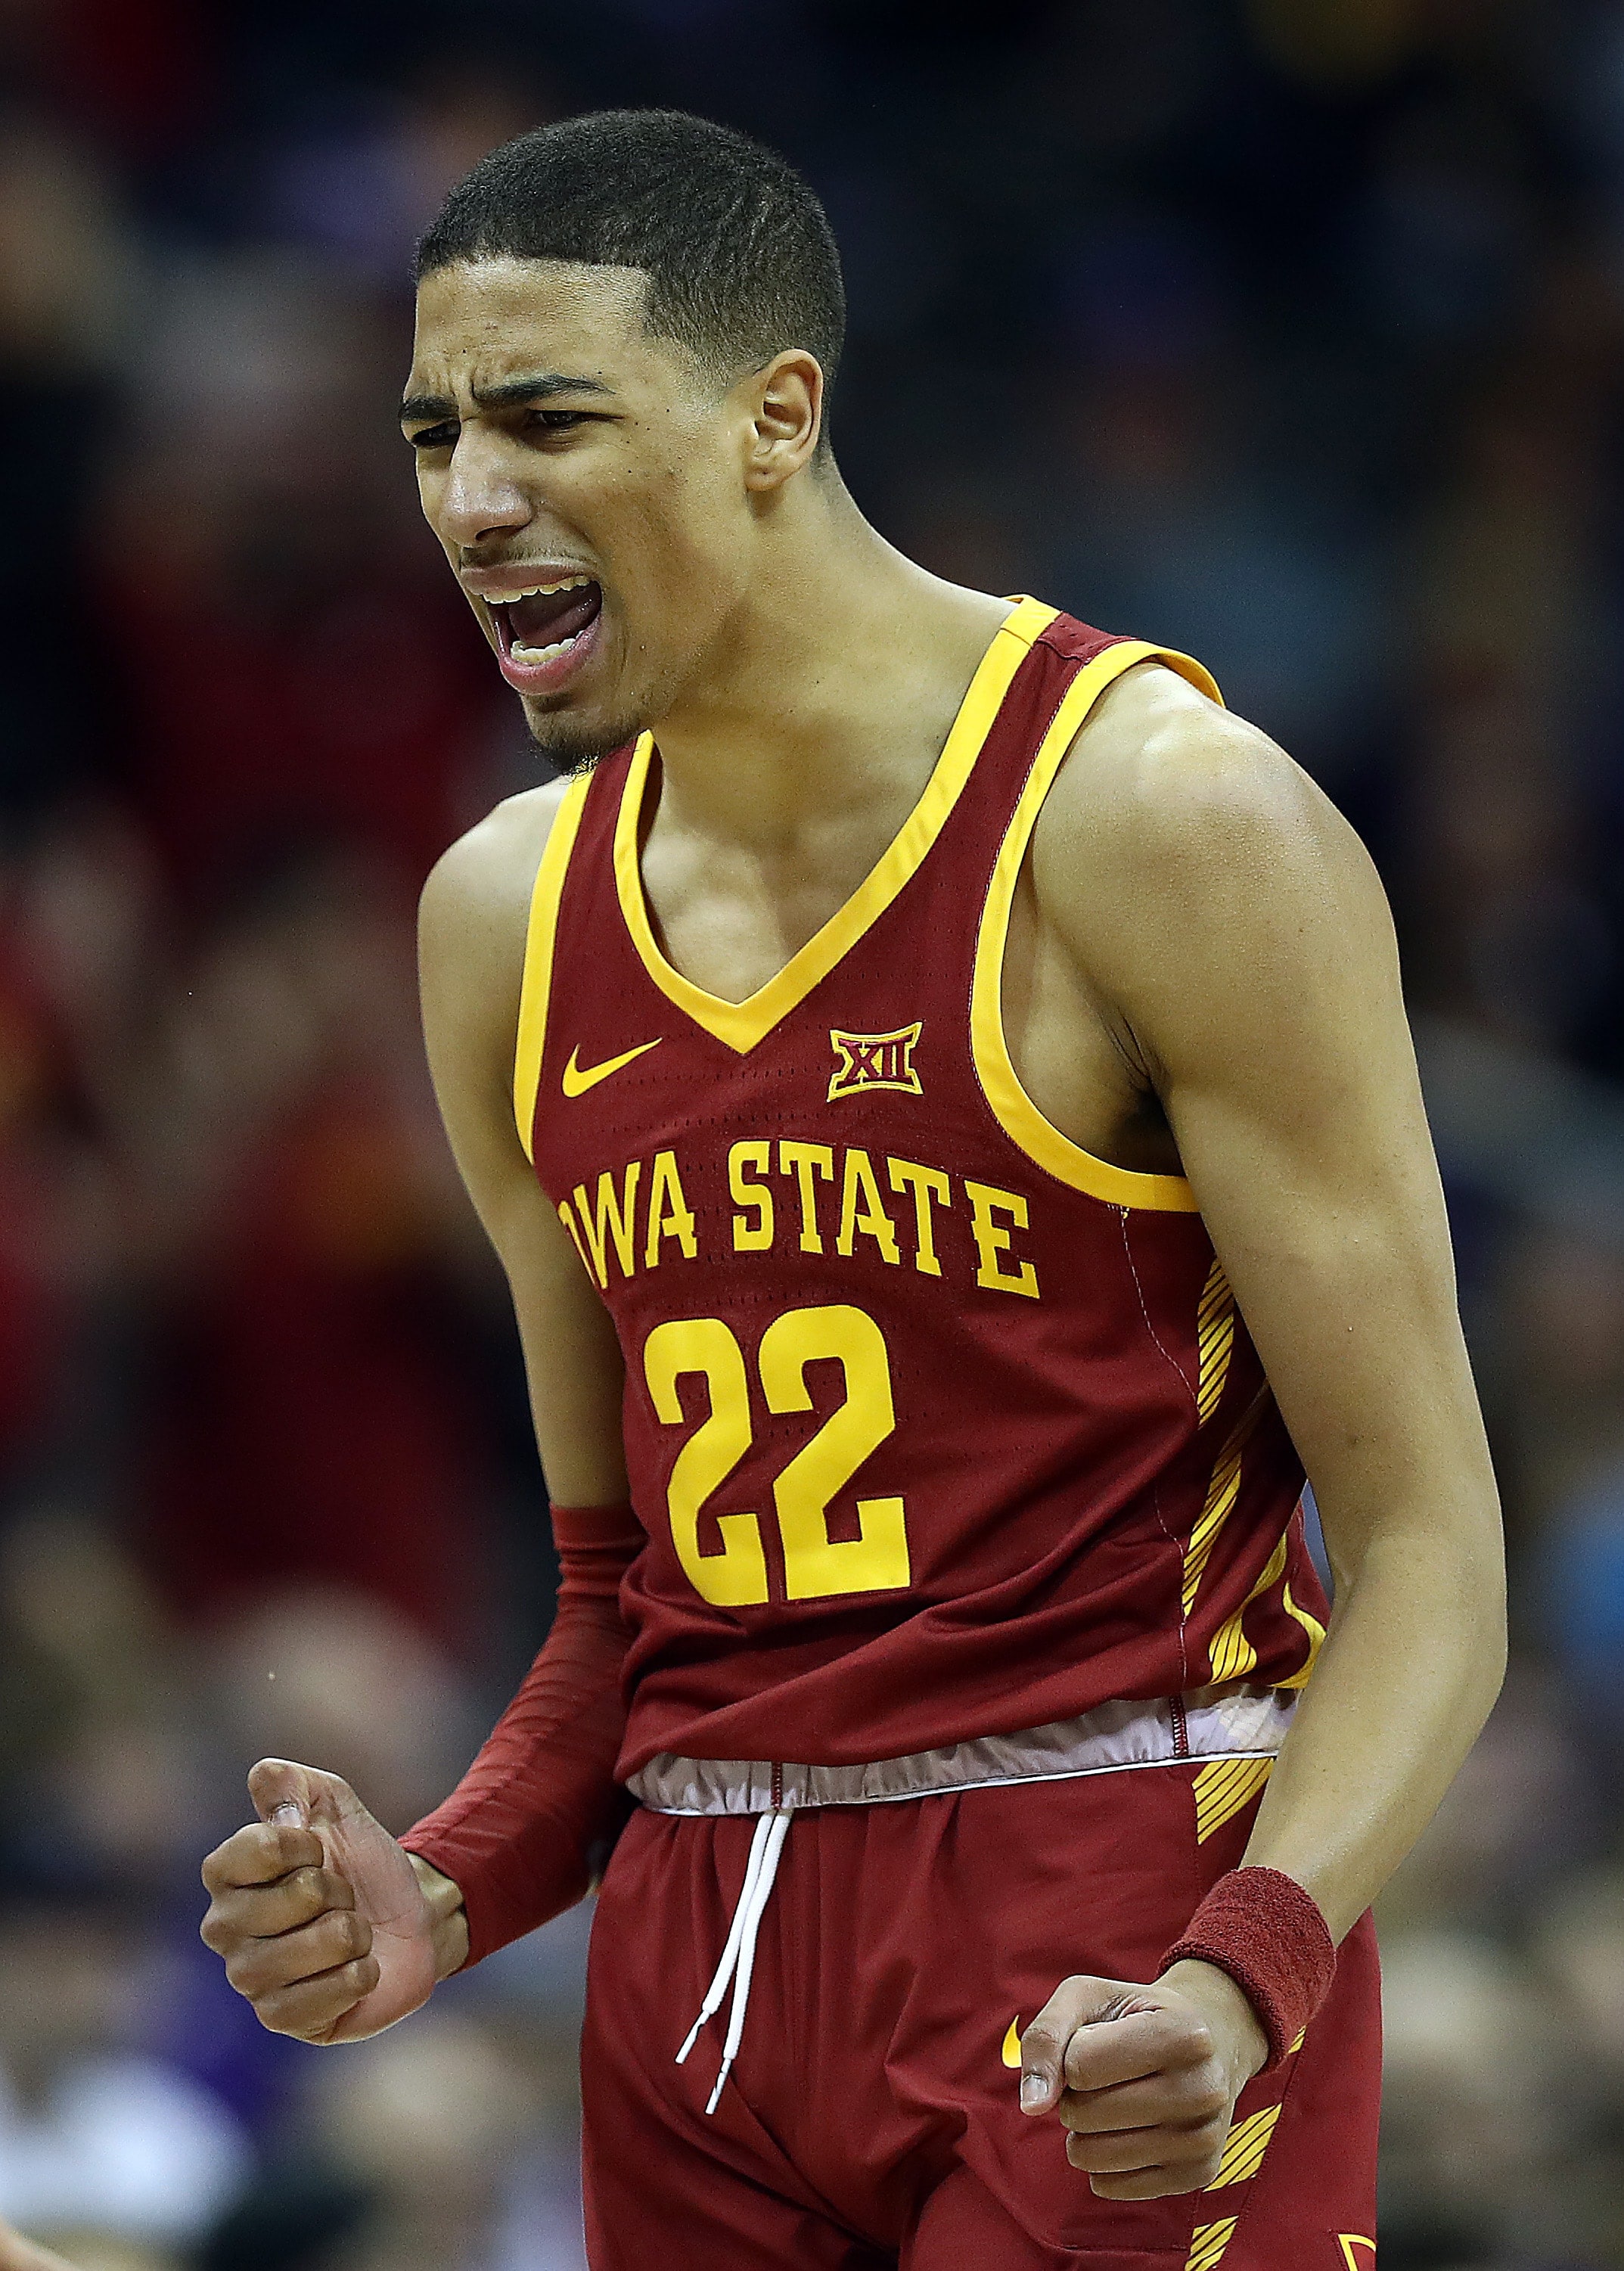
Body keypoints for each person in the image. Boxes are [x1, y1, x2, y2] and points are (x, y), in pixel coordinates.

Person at [199, 111, 1504, 2270]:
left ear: (770, 419)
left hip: (1106, 1923)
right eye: (430, 432)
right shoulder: (498, 920)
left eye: (543, 419)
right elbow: (628, 1612)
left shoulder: (1162, 821)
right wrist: (442, 1885)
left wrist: (1242, 1965)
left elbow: (1429, 1544)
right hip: (694, 1960)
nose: (467, 498)